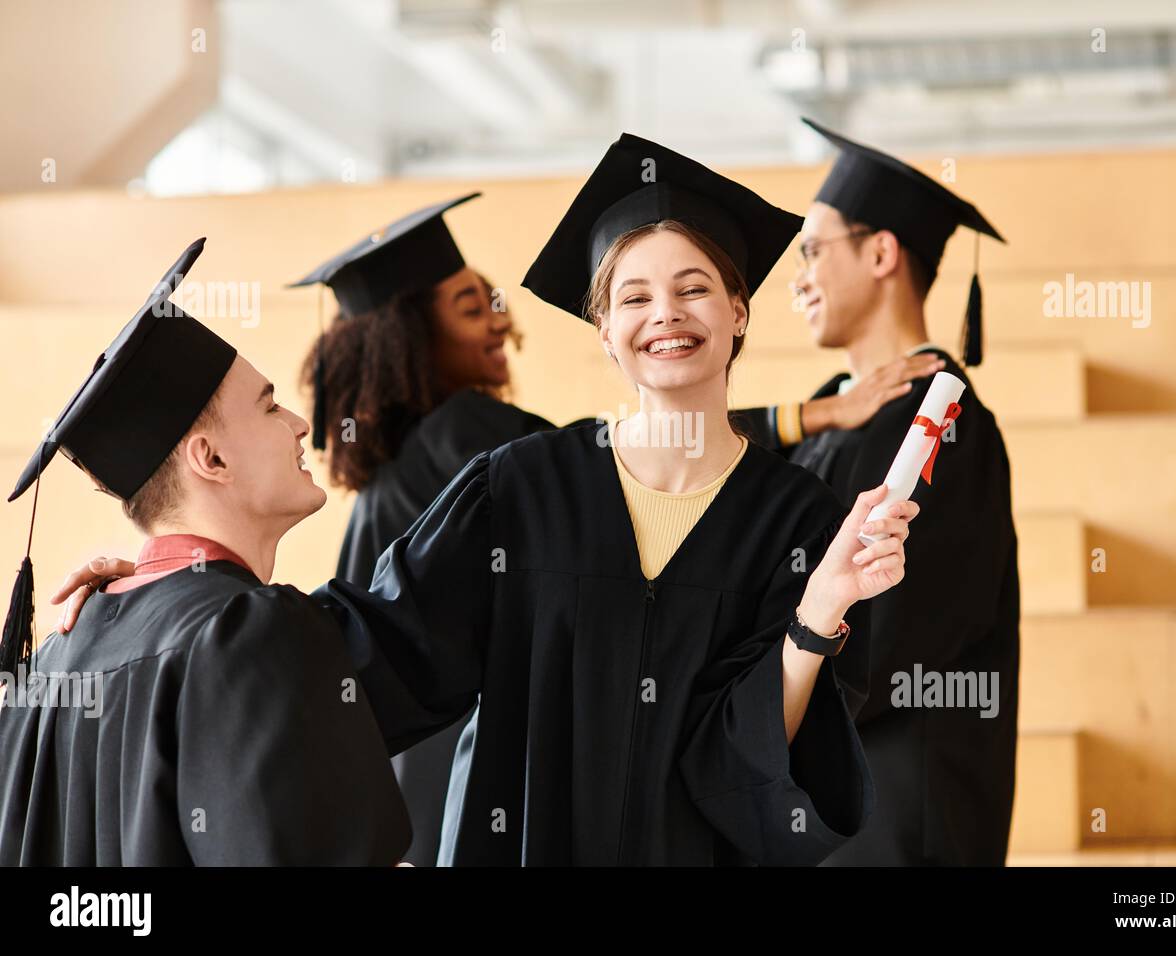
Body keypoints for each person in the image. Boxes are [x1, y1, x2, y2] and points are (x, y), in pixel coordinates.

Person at [54, 136, 921, 866]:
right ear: (603, 329)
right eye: (633, 296)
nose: (668, 314)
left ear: (737, 311)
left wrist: (818, 616)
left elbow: (752, 761)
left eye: (695, 288)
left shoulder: (801, 520)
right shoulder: (521, 487)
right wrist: (175, 601)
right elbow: (374, 645)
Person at [0, 239, 410, 865]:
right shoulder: (250, 631)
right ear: (211, 459)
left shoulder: (53, 662)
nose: (301, 423)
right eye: (270, 405)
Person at [733, 118, 1020, 866]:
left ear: (883, 252)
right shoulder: (832, 413)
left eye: (811, 251)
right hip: (822, 799)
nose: (795, 277)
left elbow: (895, 637)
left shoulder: (945, 430)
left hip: (892, 812)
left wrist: (760, 717)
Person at [291, 197, 553, 864]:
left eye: (491, 300)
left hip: (415, 781)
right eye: (472, 308)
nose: (500, 320)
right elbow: (610, 469)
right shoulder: (460, 429)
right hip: (476, 757)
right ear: (412, 336)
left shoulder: (392, 475)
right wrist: (792, 422)